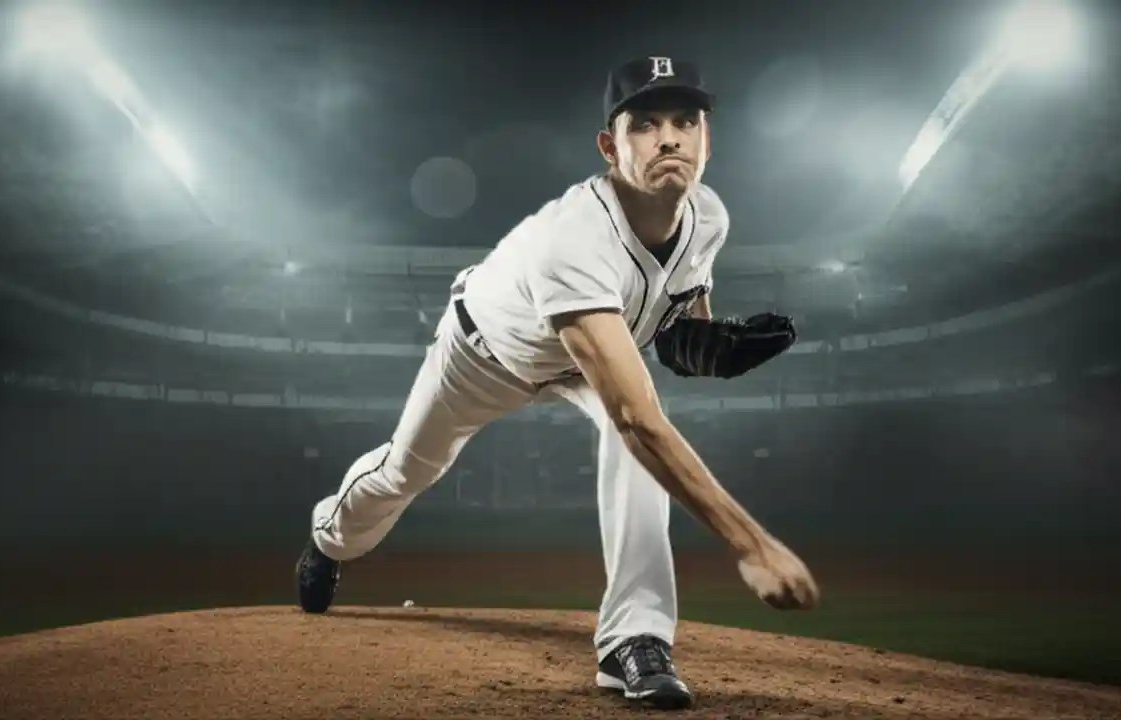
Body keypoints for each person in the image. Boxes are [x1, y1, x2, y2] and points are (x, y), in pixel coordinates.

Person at [296, 55, 819, 711]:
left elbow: (686, 300)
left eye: (687, 121)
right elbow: (636, 416)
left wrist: (701, 340)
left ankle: (635, 642)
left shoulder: (708, 216)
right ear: (609, 145)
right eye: (645, 123)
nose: (669, 138)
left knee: (638, 453)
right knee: (406, 472)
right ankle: (328, 539)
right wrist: (754, 546)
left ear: (707, 140)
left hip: (592, 358)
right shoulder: (573, 238)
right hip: (483, 360)